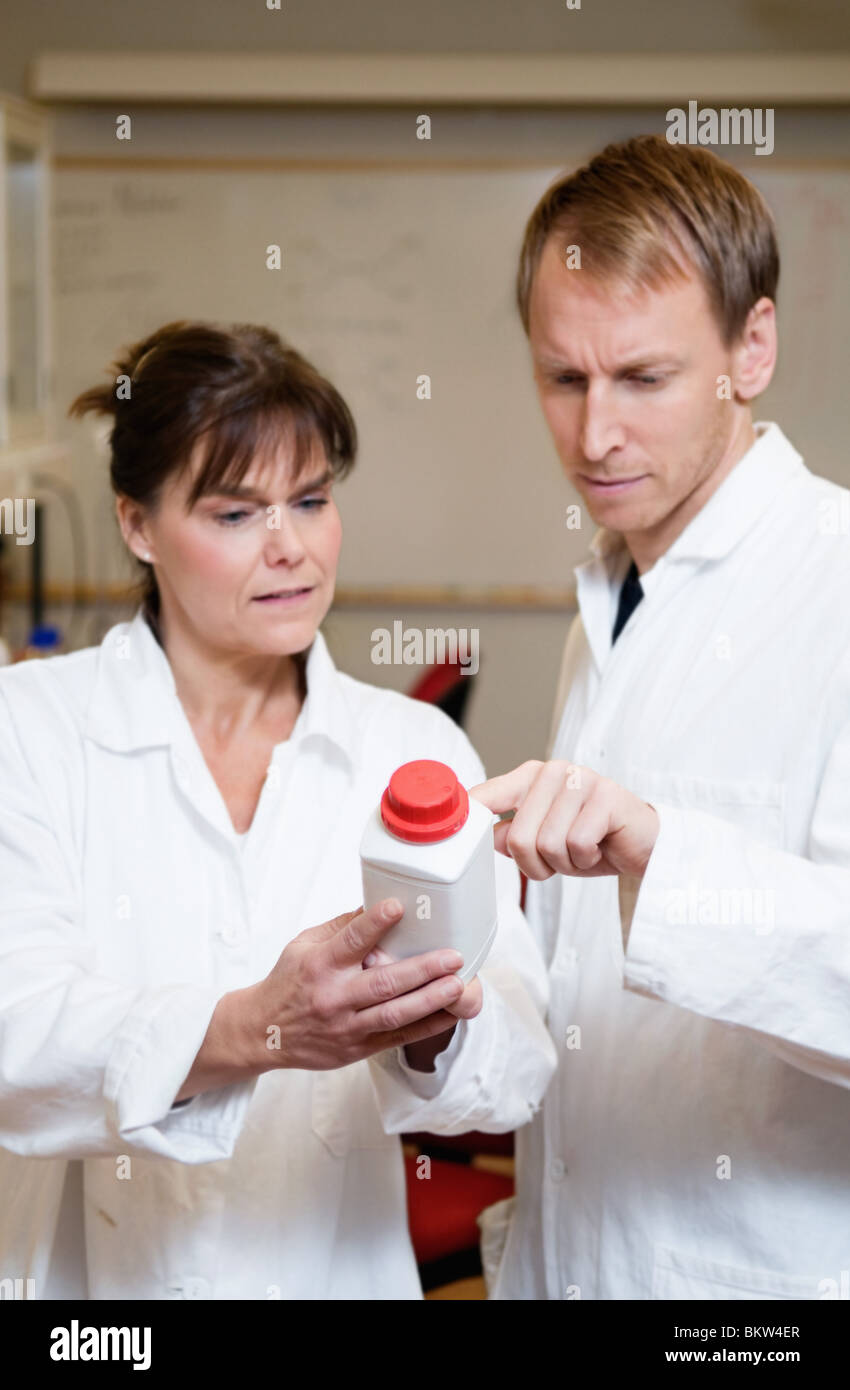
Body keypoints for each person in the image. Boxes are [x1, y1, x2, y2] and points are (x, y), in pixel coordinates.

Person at [0, 321, 556, 1301]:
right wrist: (254, 1029)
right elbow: (17, 1035)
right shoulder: (31, 732)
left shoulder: (411, 749)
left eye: (310, 499)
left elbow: (514, 1062)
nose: (289, 546)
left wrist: (432, 1026)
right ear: (136, 524)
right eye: (235, 513)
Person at [466, 135, 850, 1299]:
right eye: (563, 378)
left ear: (752, 348)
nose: (594, 438)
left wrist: (663, 861)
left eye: (642, 379)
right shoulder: (616, 599)